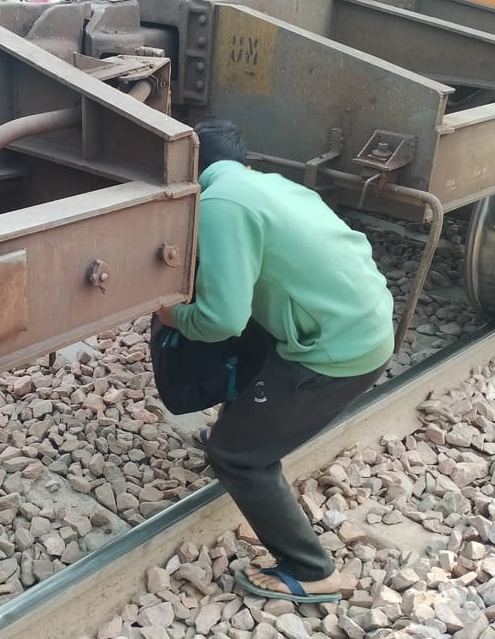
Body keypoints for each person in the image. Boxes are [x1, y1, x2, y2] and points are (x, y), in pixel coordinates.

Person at [155, 120, 394, 604]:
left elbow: (221, 320)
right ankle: (244, 421)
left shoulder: (218, 203)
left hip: (337, 351)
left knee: (236, 456)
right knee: (252, 337)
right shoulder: (268, 184)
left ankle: (312, 568)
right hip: (360, 317)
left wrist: (170, 313)